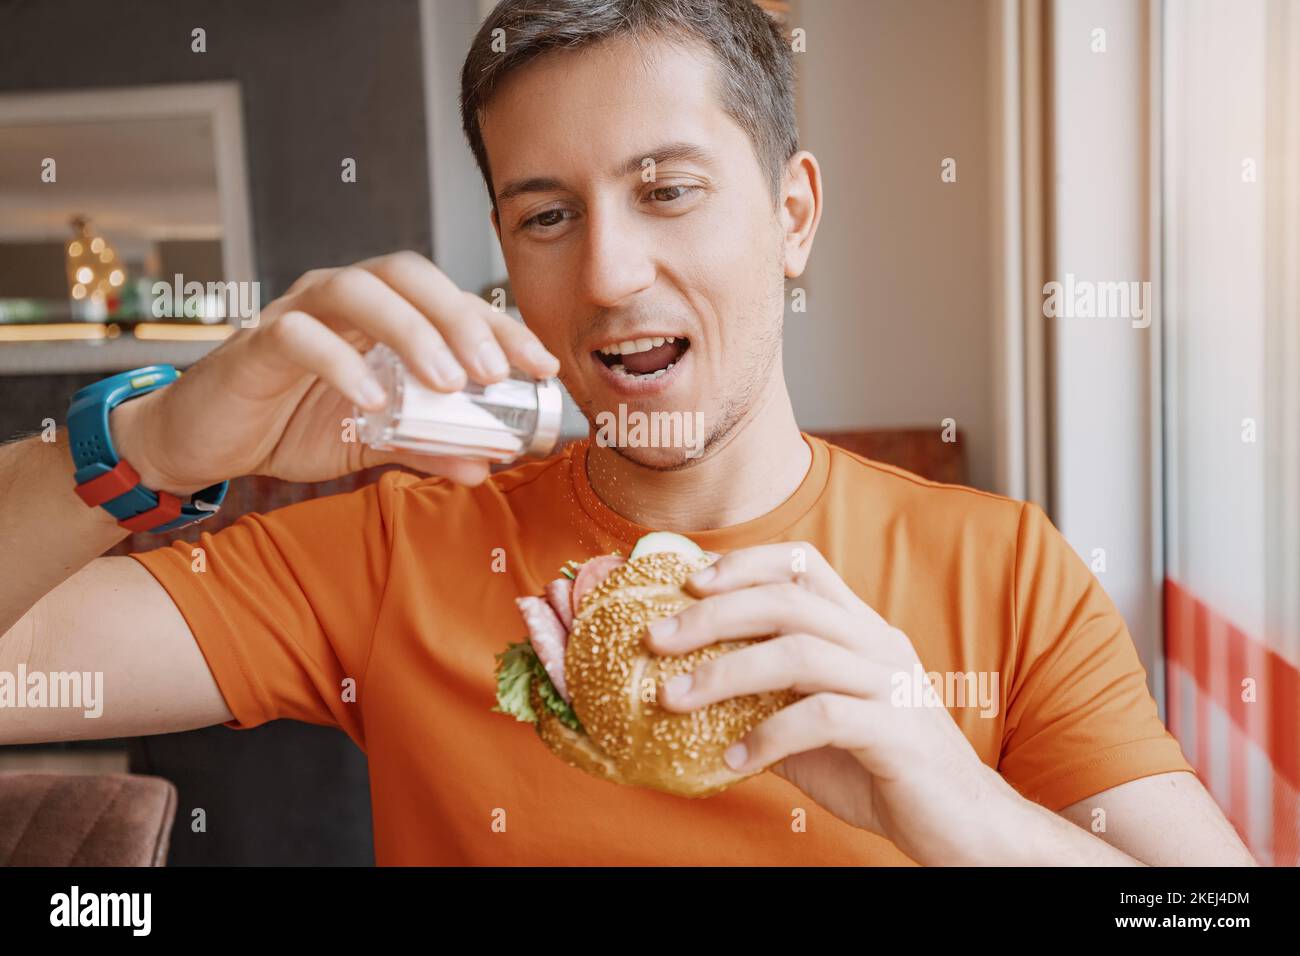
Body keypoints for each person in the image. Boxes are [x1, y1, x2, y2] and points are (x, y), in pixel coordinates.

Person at [0, 0, 1254, 865]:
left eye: (668, 190)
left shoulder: (1007, 570)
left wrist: (952, 803)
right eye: (546, 216)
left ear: (792, 213)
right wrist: (152, 442)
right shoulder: (398, 547)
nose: (607, 273)